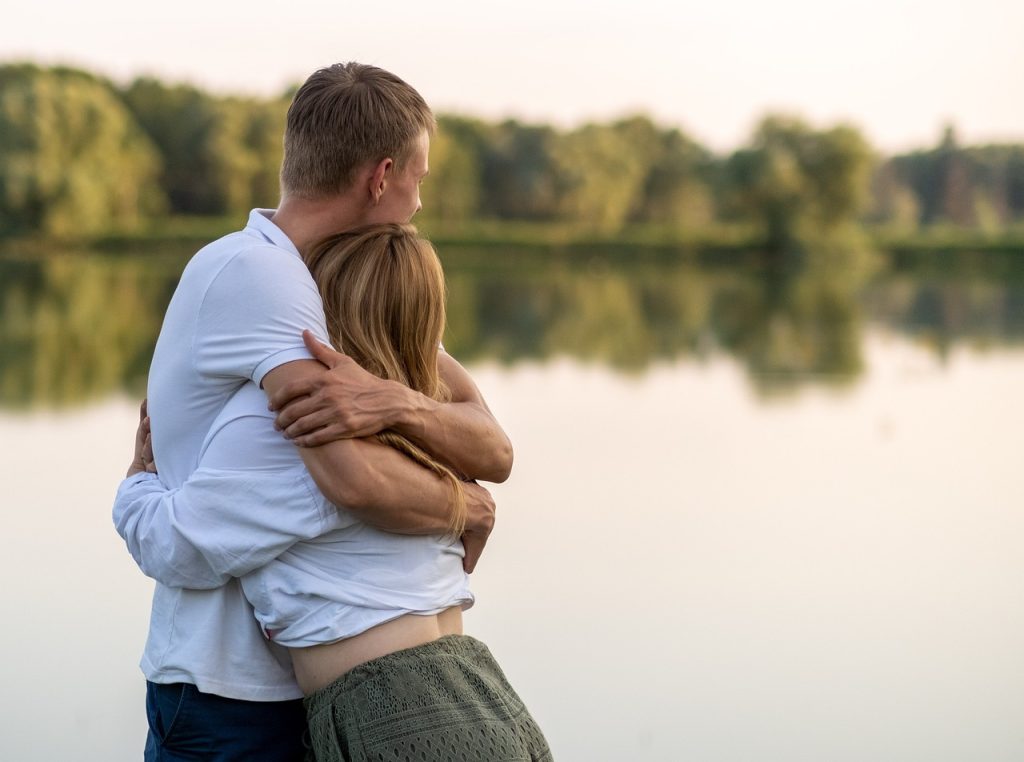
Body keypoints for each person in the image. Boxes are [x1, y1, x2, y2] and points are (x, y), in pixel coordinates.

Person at [113, 63, 510, 761]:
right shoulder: (260, 275)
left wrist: (400, 403)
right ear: (380, 177)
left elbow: (491, 443)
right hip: (230, 693)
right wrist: (465, 507)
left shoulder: (352, 287)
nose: (419, 203)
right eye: (419, 179)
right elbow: (349, 480)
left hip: (321, 689)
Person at [125, 224, 552, 761]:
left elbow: (176, 545)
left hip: (399, 722)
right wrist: (464, 502)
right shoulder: (435, 429)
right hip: (486, 700)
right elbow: (494, 446)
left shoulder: (293, 430)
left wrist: (138, 479)